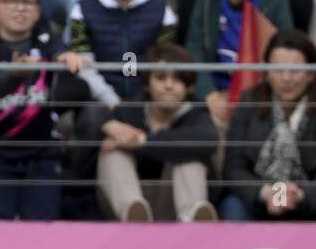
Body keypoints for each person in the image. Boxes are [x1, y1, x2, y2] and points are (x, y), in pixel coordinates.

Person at [0, 0, 88, 219]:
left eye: (27, 2)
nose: (20, 8)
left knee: (40, 232)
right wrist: (14, 76)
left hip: (42, 155)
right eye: (11, 1)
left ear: (38, 11)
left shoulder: (48, 43)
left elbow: (60, 51)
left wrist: (66, 56)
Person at [219, 29, 316, 220]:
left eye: (295, 70)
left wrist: (299, 194)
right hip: (262, 197)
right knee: (233, 206)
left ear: (311, 73)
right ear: (266, 72)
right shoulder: (249, 101)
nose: (286, 78)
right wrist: (266, 193)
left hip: (315, 199)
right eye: (278, 69)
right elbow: (233, 168)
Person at [75, 42, 220, 219]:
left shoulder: (197, 113)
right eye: (160, 78)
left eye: (177, 79)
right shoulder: (130, 109)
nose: (168, 85)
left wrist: (142, 141)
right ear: (146, 84)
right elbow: (89, 115)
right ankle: (134, 214)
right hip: (124, 203)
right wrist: (109, 125)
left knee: (189, 155)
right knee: (113, 152)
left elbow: (209, 139)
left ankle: (195, 217)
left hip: (176, 204)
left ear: (189, 87)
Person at [65, 0, 177, 101]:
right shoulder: (82, 9)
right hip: (96, 100)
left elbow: (162, 64)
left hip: (147, 100)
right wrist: (112, 102)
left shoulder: (162, 11)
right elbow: (84, 66)